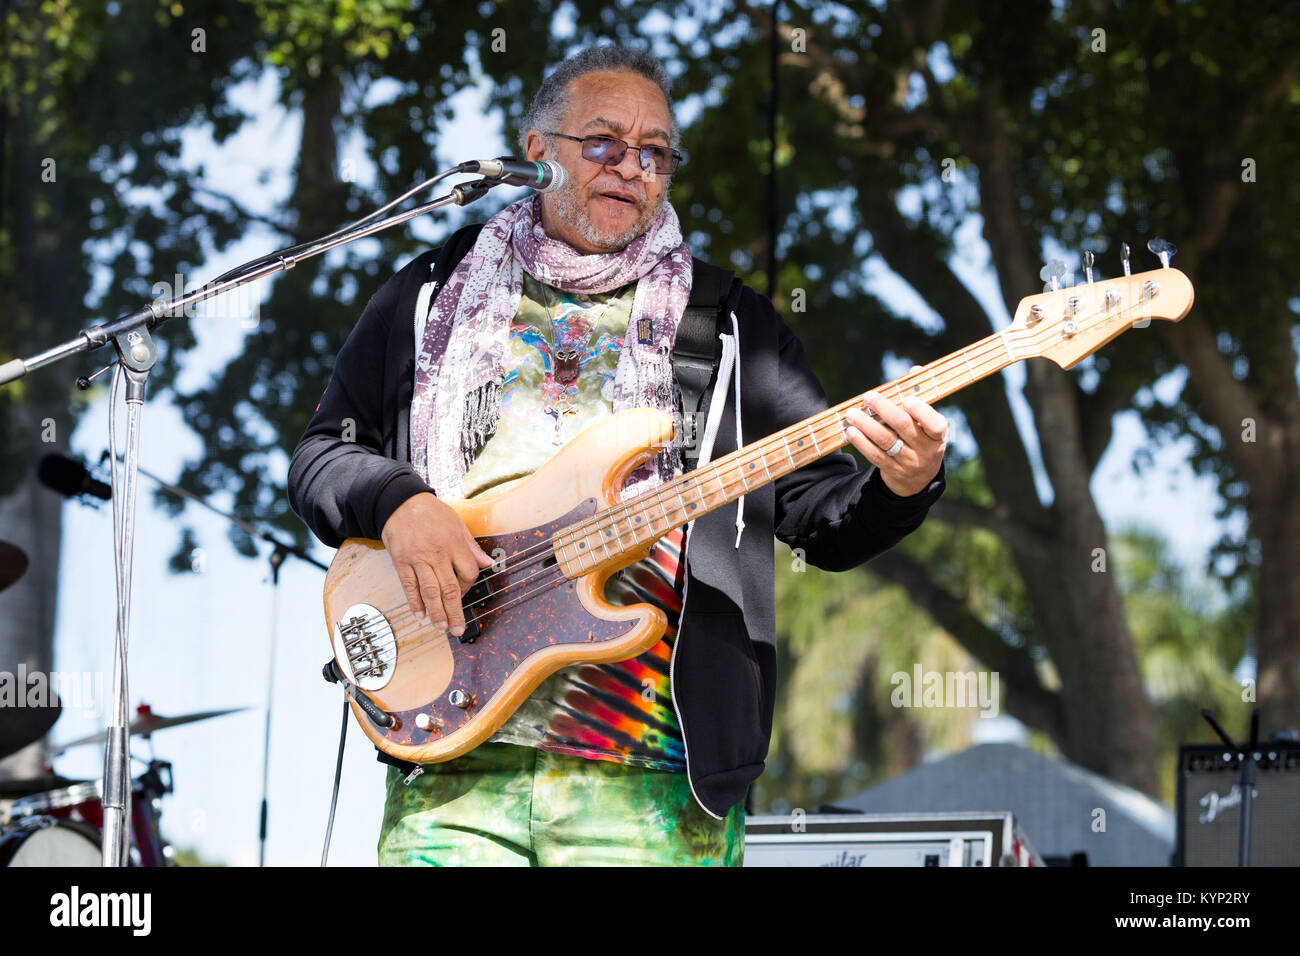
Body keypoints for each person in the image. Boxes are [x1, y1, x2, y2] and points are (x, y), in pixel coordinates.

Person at [288, 44, 946, 866]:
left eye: (654, 152)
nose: (630, 167)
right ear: (537, 153)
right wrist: (398, 502)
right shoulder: (429, 293)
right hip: (453, 759)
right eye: (603, 142)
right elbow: (323, 455)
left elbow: (826, 520)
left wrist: (905, 480)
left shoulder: (733, 327)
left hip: (654, 779)